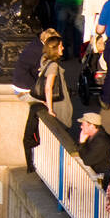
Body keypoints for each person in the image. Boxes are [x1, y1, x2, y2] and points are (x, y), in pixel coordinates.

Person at [22, 35, 72, 171]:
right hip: (59, 104)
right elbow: (48, 87)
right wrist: (50, 109)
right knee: (61, 134)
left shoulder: (44, 59)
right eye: (61, 46)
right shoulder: (54, 65)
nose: (63, 48)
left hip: (53, 102)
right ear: (55, 49)